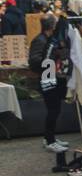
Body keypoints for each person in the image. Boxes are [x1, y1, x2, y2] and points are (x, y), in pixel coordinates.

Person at [28, 15, 69, 152]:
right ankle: (50, 140)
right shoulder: (40, 41)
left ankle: (49, 137)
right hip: (47, 76)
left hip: (51, 75)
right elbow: (34, 61)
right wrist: (51, 60)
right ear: (52, 26)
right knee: (53, 109)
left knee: (55, 109)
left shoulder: (48, 40)